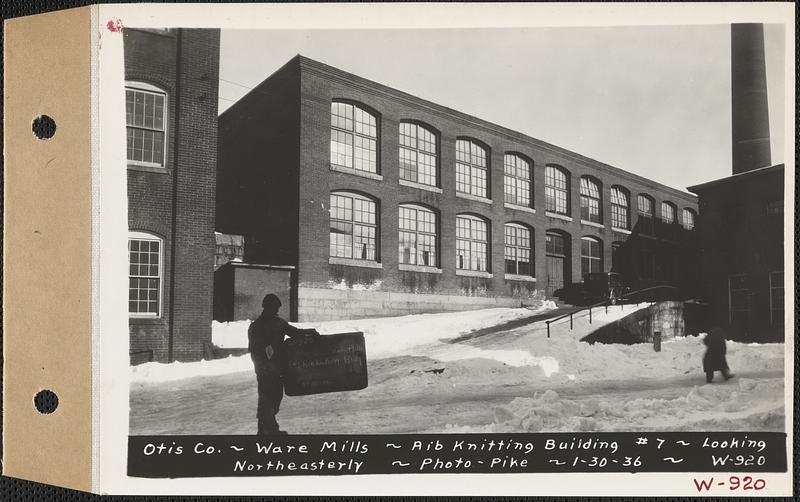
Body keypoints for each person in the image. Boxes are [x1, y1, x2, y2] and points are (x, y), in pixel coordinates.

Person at [248, 293, 319, 434]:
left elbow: (295, 332)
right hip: (268, 370)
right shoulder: (260, 326)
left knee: (271, 400)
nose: (276, 311)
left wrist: (310, 331)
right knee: (268, 400)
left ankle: (263, 431)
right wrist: (262, 367)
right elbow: (254, 350)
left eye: (276, 309)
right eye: (274, 308)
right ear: (267, 308)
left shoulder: (274, 324)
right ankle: (272, 431)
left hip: (271, 370)